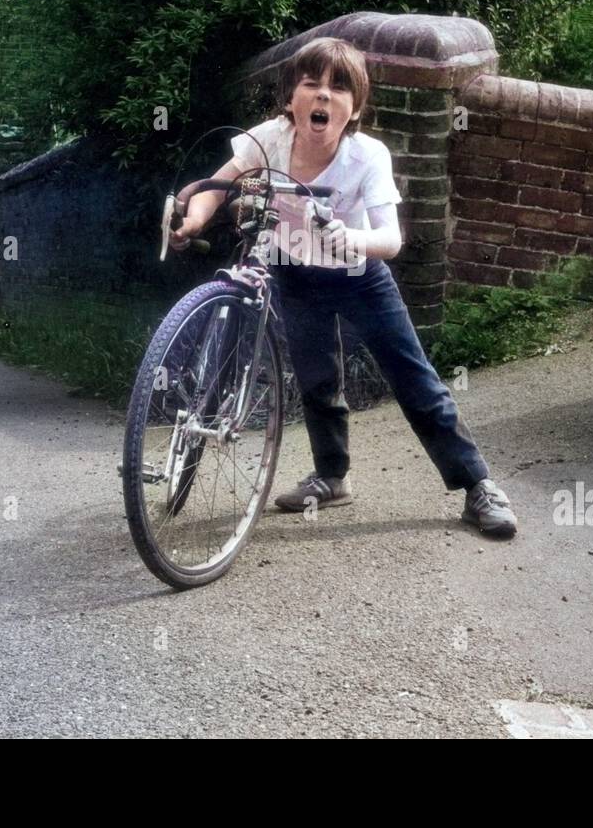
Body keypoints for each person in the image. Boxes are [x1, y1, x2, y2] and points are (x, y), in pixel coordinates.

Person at [169, 37, 517, 538]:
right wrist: (194, 220)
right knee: (317, 383)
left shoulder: (365, 155)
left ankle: (478, 486)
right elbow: (216, 187)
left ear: (354, 108)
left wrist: (350, 237)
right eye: (311, 84)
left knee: (414, 381)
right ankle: (332, 478)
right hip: (295, 274)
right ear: (291, 98)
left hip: (359, 277)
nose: (323, 96)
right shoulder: (268, 140)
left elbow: (391, 239)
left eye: (338, 88)